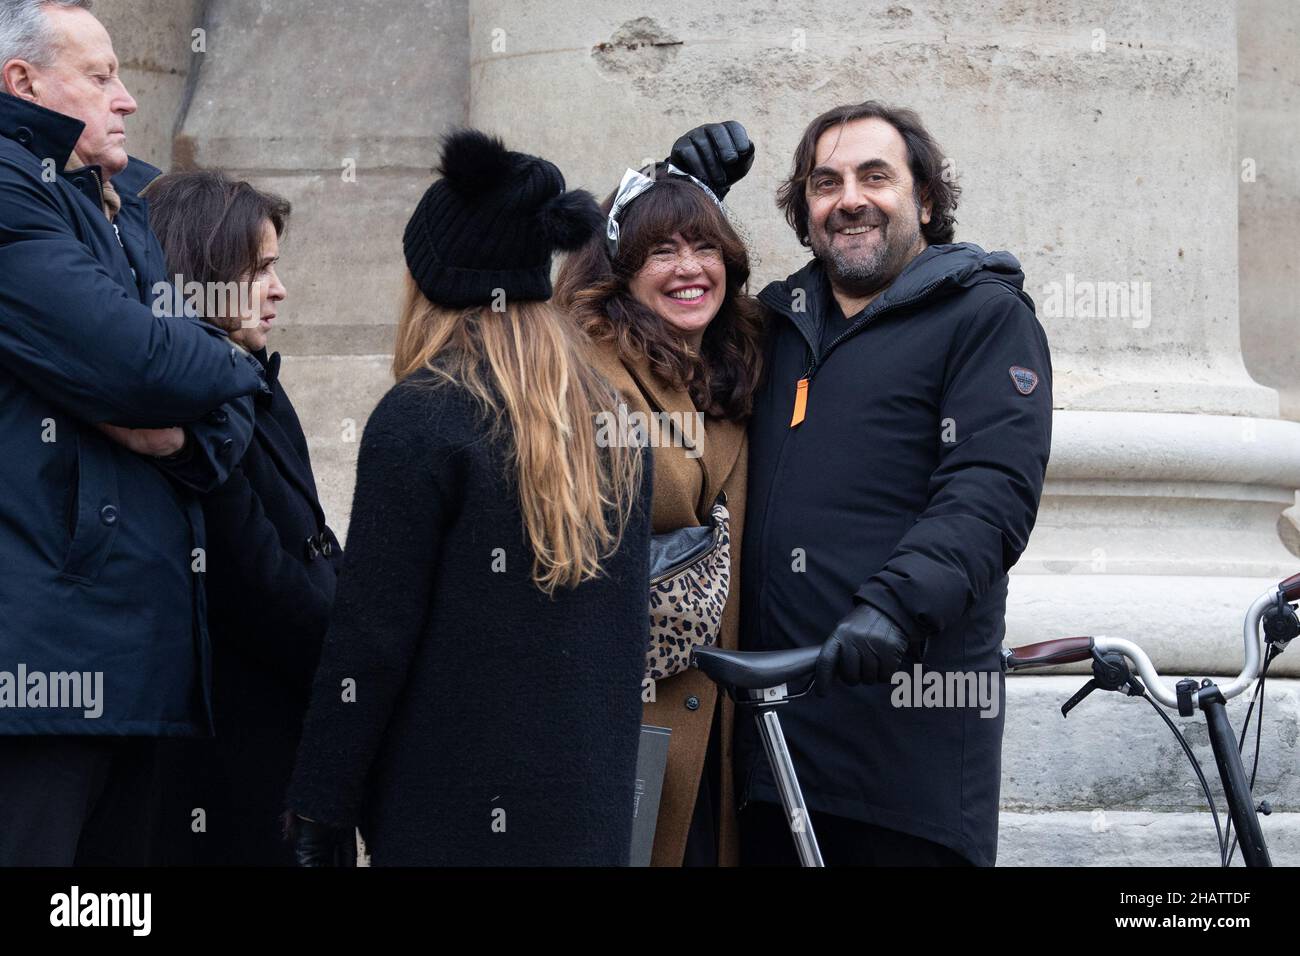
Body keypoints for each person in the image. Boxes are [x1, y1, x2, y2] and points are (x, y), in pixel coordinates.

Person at [670, 104, 1053, 866]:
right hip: (769, 755)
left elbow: (989, 487)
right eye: (825, 182)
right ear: (803, 210)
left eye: (876, 176)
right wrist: (675, 191)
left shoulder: (983, 316)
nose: (849, 198)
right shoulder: (770, 326)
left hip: (905, 758)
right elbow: (625, 320)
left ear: (926, 202)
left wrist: (894, 606)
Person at [285, 129, 653, 866]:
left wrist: (320, 811)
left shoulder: (423, 415)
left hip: (448, 819)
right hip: (586, 817)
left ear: (430, 283)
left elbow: (370, 640)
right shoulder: (611, 417)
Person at [0, 0, 265, 865]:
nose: (128, 100)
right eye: (101, 77)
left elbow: (210, 404)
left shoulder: (123, 202)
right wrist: (224, 360)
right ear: (22, 83)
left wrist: (186, 430)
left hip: (133, 662)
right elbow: (140, 364)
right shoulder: (11, 191)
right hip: (39, 674)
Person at [554, 162, 764, 866]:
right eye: (661, 252)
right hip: (616, 723)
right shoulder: (585, 366)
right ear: (619, 269)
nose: (689, 269)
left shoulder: (736, 361)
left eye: (705, 247)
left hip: (719, 729)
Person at [141, 171, 343, 866]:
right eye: (260, 271)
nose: (279, 290)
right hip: (234, 759)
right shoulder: (195, 400)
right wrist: (351, 653)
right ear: (200, 273)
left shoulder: (248, 379)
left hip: (285, 737)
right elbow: (255, 581)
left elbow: (312, 544)